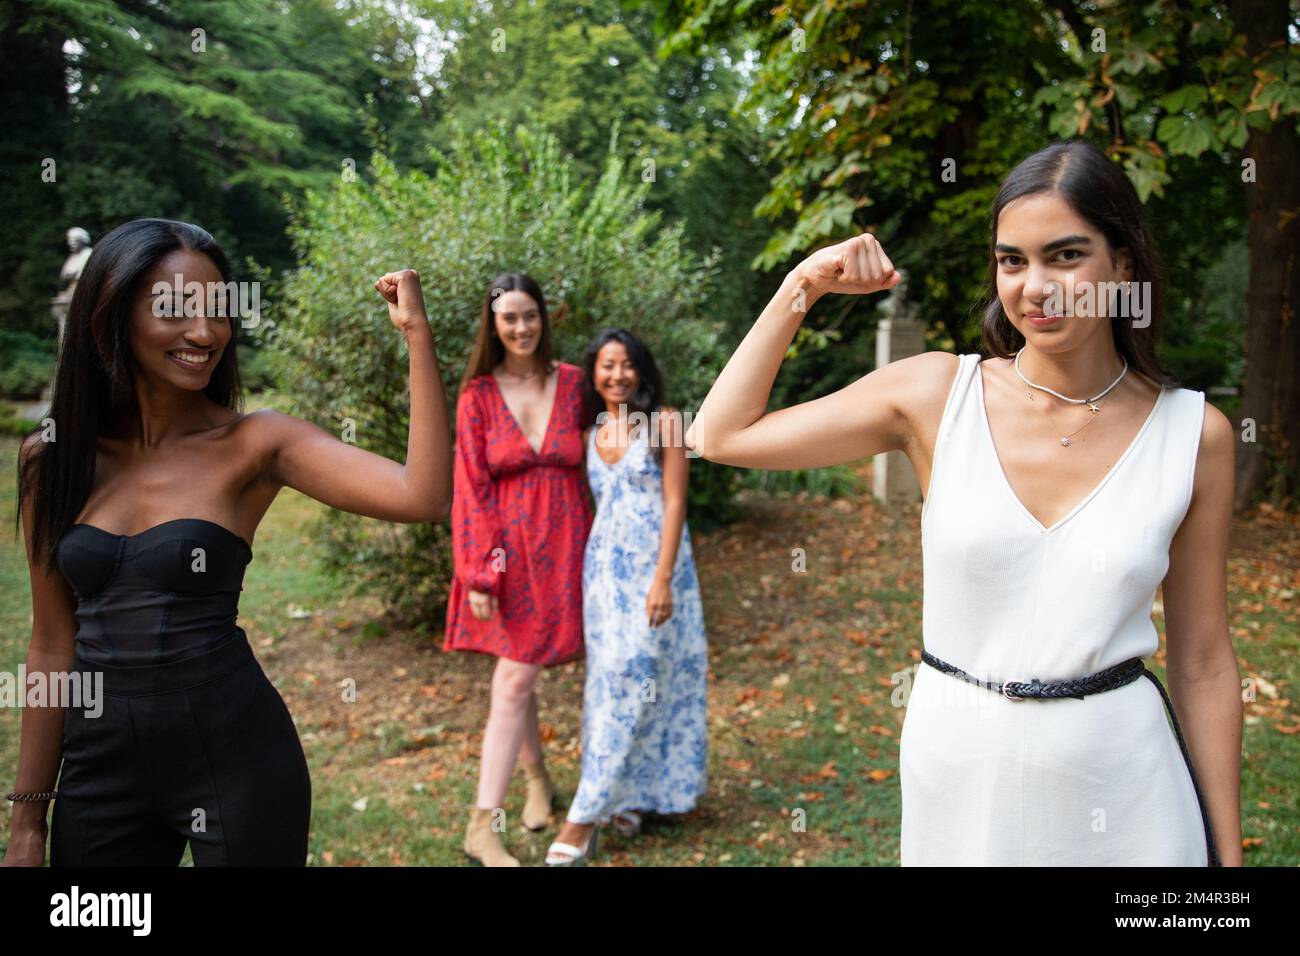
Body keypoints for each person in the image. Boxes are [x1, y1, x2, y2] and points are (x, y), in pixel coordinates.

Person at [685, 140, 1241, 866]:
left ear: (1123, 264)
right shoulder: (935, 395)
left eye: (1065, 256)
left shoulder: (1194, 434)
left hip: (1128, 793)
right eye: (1013, 260)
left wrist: (1226, 862)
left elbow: (1203, 662)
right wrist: (804, 283)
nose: (1034, 287)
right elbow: (719, 435)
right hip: (959, 776)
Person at [3, 218, 452, 866]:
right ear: (110, 312)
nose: (205, 332)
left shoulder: (256, 443)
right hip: (99, 773)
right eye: (175, 309)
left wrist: (416, 336)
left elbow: (423, 496)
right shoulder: (54, 459)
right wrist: (26, 825)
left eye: (217, 309)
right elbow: (50, 642)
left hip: (234, 757)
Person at [444, 273, 593, 866]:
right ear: (494, 325)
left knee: (521, 676)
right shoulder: (478, 395)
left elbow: (608, 454)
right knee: (514, 679)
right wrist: (479, 571)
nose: (522, 327)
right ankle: (482, 826)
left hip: (570, 546)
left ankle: (537, 782)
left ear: (543, 318)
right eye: (510, 318)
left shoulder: (577, 383)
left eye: (530, 315)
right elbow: (470, 487)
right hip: (506, 555)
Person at [545, 330, 708, 866]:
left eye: (627, 365)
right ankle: (631, 796)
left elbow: (676, 501)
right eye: (606, 366)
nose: (617, 375)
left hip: (657, 571)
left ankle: (584, 815)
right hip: (604, 578)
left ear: (642, 369)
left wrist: (662, 579)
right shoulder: (591, 431)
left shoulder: (666, 423)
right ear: (594, 372)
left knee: (636, 681)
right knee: (609, 683)